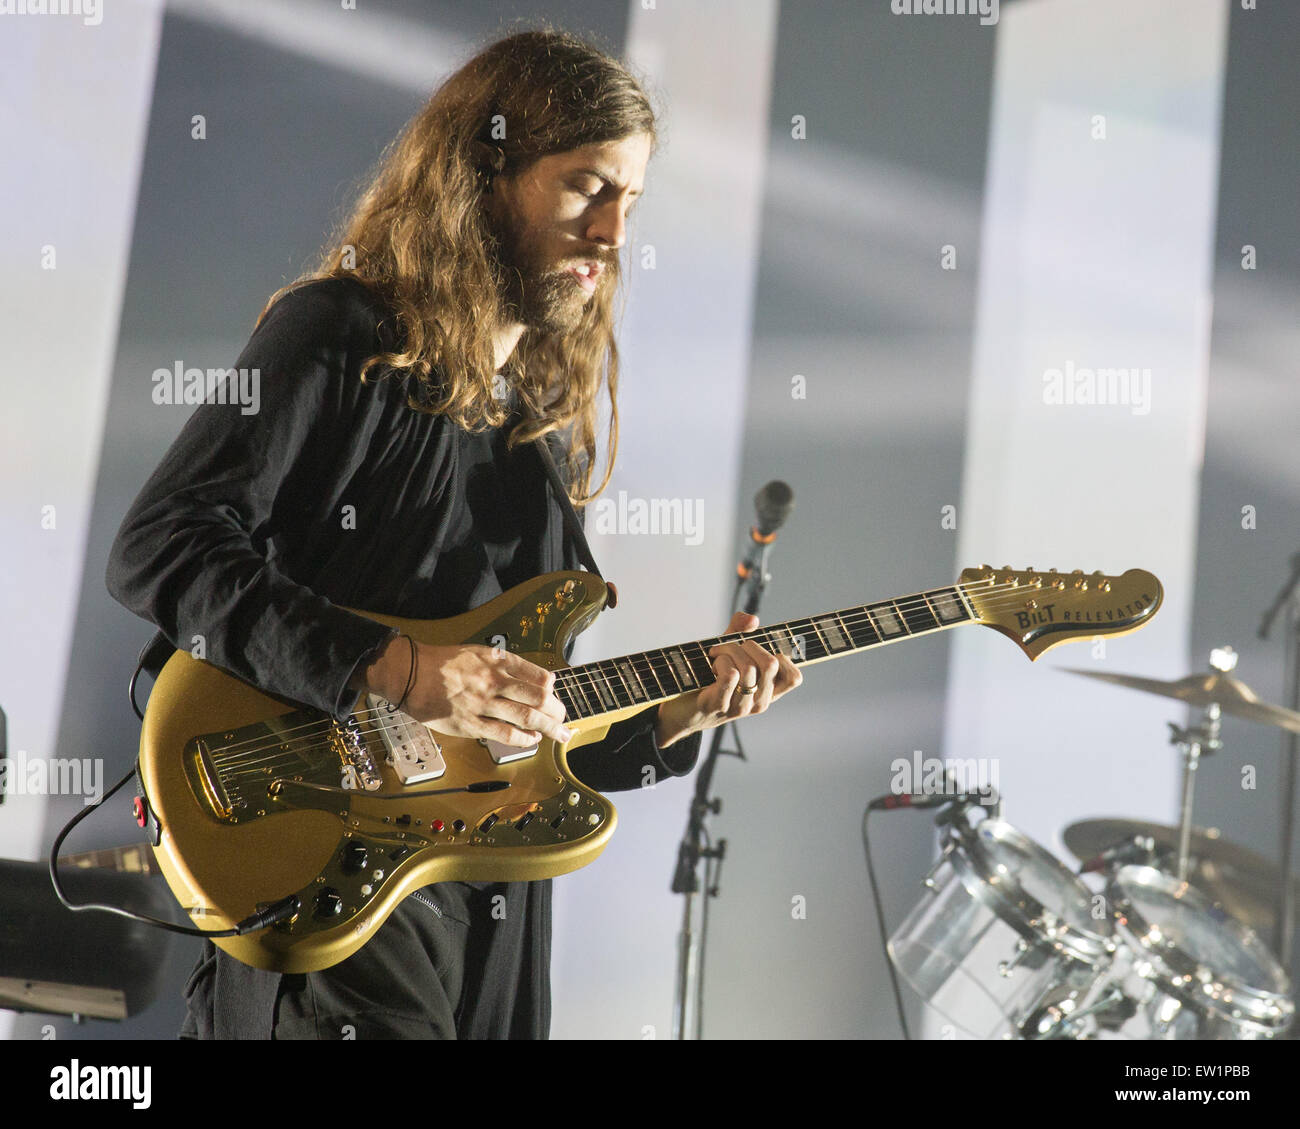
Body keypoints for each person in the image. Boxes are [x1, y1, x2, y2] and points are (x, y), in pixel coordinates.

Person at [107, 29, 801, 1040]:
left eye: (630, 202)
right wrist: (397, 668)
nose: (611, 232)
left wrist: (669, 719)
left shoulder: (535, 437)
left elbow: (514, 754)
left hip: (486, 922)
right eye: (583, 188)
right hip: (334, 892)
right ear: (485, 176)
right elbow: (162, 543)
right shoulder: (340, 335)